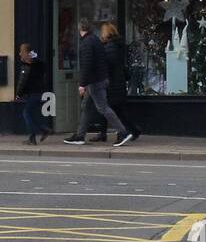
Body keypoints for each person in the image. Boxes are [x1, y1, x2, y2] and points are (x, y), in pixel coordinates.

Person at [64, 18, 135, 146]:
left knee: (103, 108)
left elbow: (87, 64)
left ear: (80, 29)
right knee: (86, 107)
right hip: (99, 79)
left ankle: (123, 132)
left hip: (95, 81)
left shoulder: (86, 43)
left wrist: (82, 84)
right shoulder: (95, 40)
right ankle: (80, 135)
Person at [99, 22, 141, 142]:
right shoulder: (116, 46)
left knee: (111, 110)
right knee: (118, 110)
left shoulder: (110, 47)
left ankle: (122, 133)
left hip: (113, 83)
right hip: (119, 82)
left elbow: (109, 65)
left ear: (106, 33)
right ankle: (133, 130)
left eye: (102, 32)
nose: (101, 35)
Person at [15, 43, 49, 144]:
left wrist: (18, 94)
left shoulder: (27, 66)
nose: (20, 54)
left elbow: (22, 81)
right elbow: (42, 66)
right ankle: (40, 132)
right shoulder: (37, 63)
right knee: (30, 114)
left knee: (26, 113)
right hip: (39, 92)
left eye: (21, 51)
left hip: (33, 93)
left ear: (26, 52)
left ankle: (35, 135)